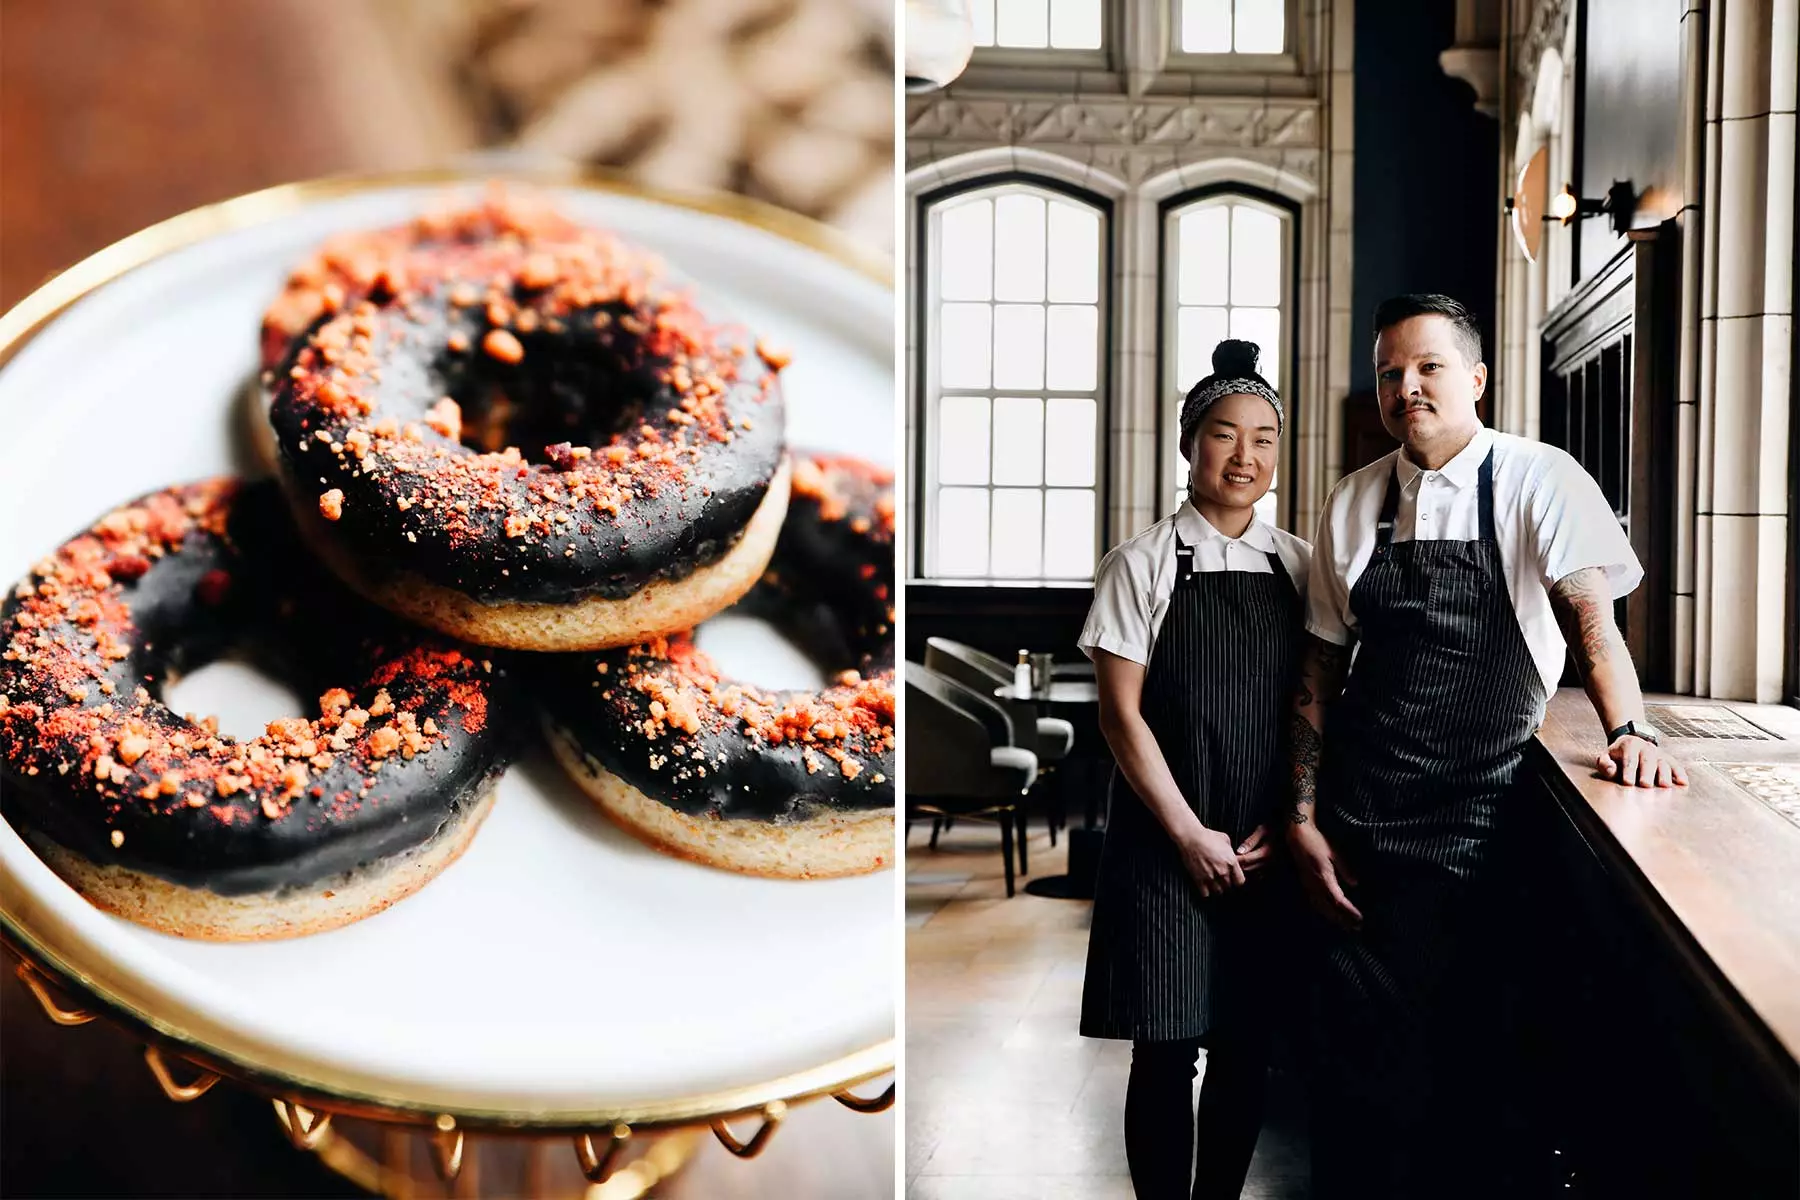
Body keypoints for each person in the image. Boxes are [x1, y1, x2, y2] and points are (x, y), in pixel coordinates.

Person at [1285, 293, 1688, 1198]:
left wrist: (1631, 729)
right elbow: (1314, 677)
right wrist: (1303, 819)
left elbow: (1592, 622)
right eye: (1390, 372)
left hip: (1483, 828)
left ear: (1475, 377)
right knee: (1351, 1083)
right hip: (1357, 826)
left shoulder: (1539, 478)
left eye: (1427, 367)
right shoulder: (1352, 504)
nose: (1406, 387)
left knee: (1473, 1078)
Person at [1077, 340, 1312, 1200]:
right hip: (1163, 840)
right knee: (1167, 1049)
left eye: (1263, 437)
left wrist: (1290, 822)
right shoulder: (1139, 565)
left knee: (1246, 1044)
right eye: (1223, 434)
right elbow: (1119, 715)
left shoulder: (1299, 564)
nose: (1243, 456)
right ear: (1189, 445)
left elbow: (1313, 707)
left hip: (1260, 844)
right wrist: (1187, 833)